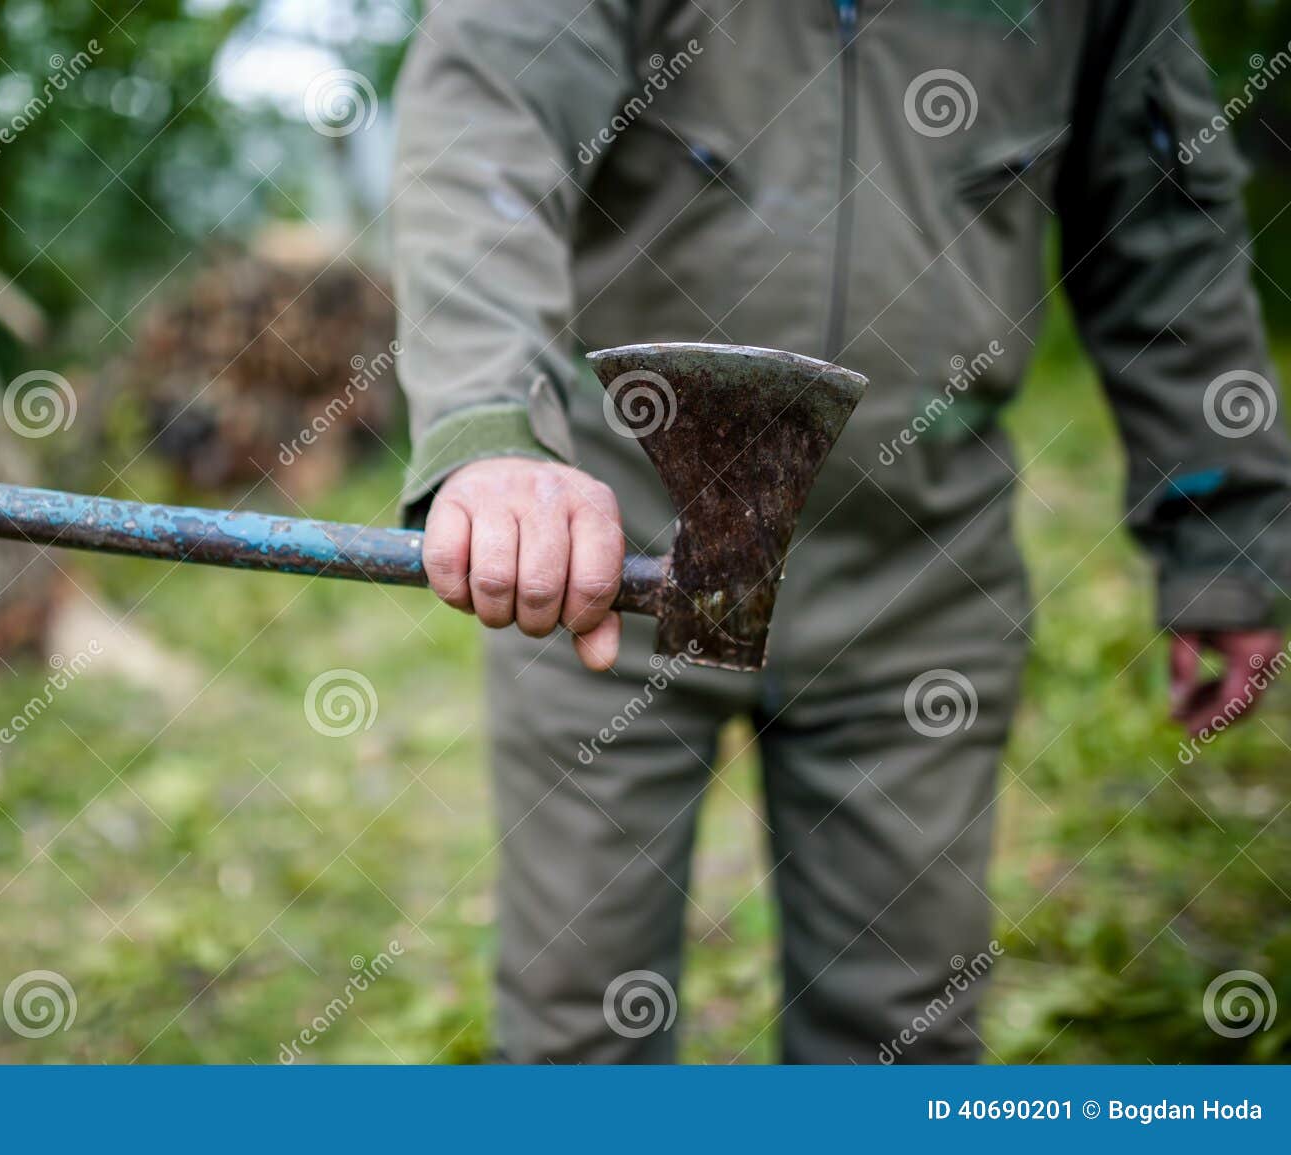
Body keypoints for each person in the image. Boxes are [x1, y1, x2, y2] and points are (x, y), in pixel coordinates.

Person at [389, 0, 1291, 1062]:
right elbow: (483, 133)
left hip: (919, 575)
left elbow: (1168, 231)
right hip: (615, 563)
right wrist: (495, 432)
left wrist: (1222, 537)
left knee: (896, 1041)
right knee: (576, 1033)